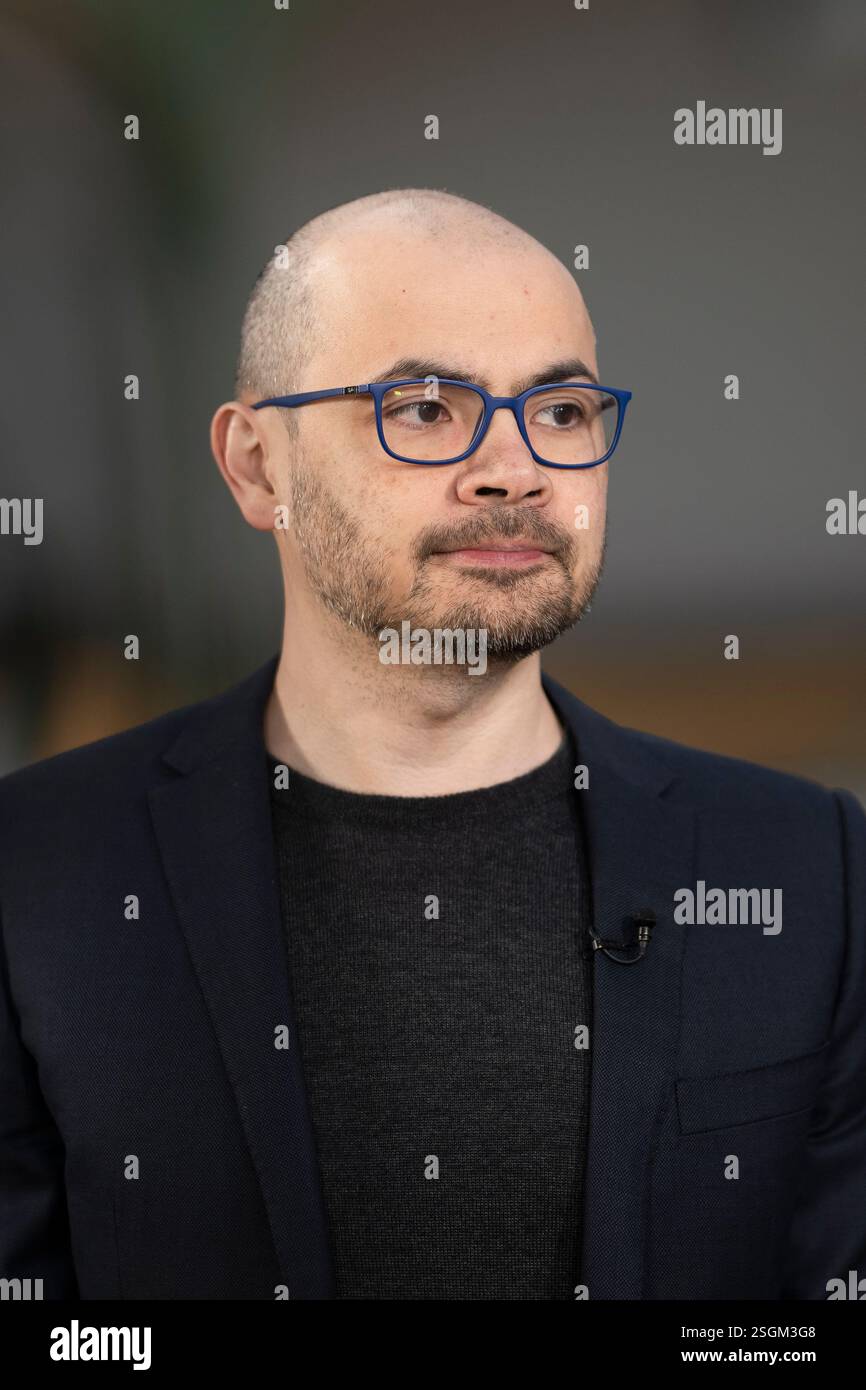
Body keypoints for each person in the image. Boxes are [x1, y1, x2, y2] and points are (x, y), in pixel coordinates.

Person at [1, 189, 864, 1301]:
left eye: (558, 410)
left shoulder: (804, 868)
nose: (512, 470)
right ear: (258, 467)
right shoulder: (37, 870)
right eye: (421, 407)